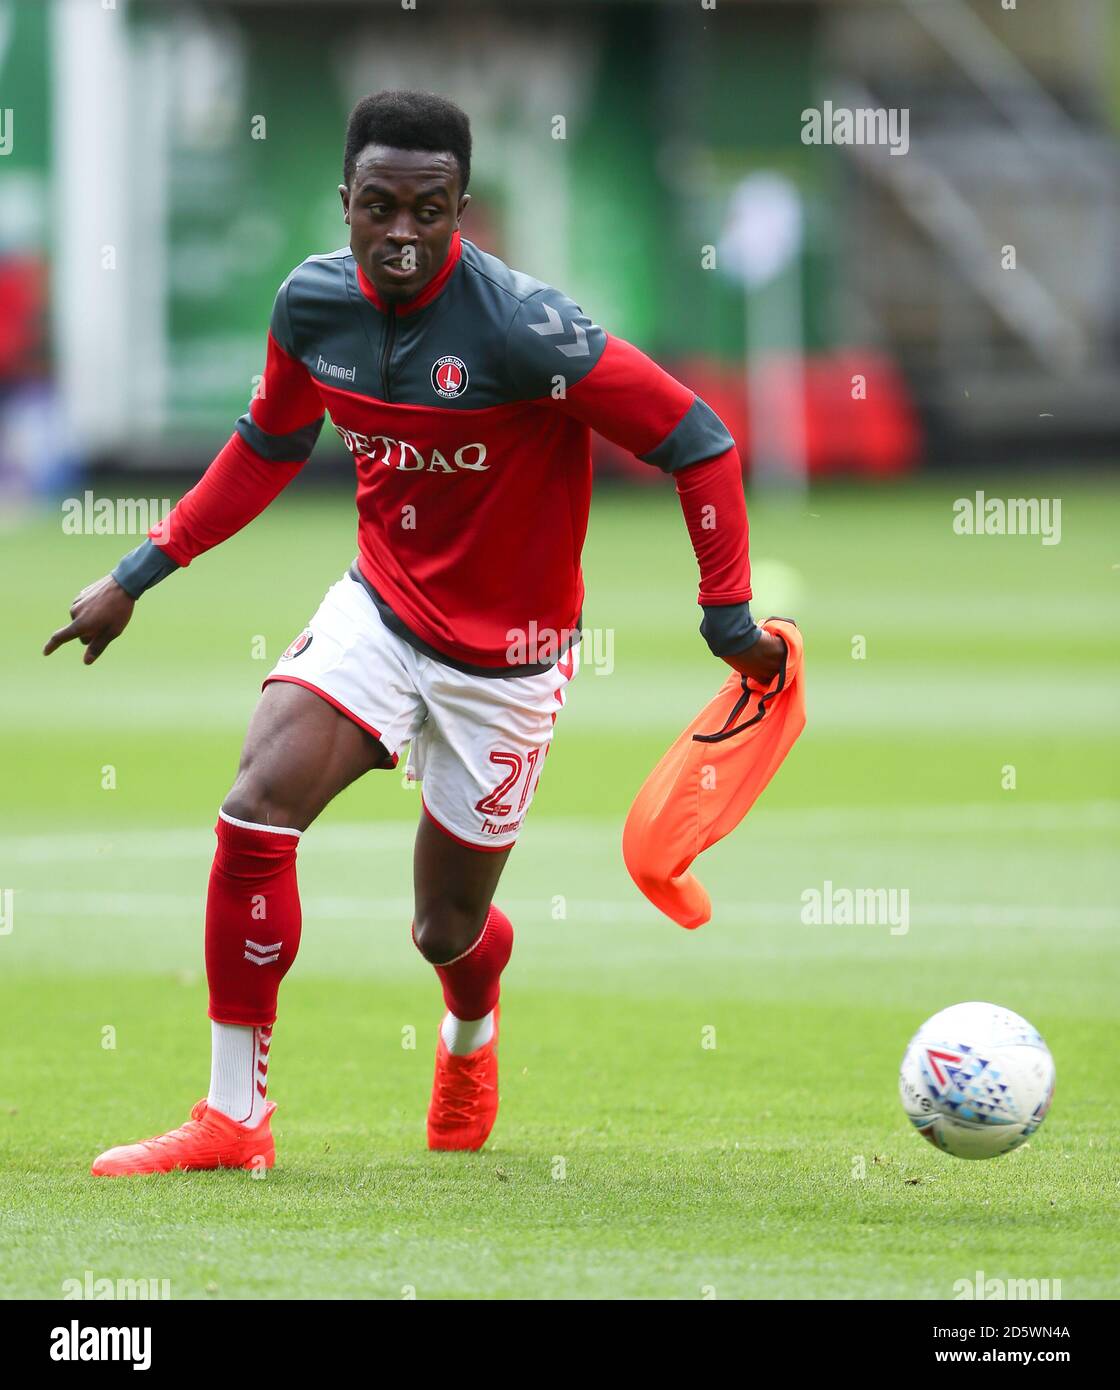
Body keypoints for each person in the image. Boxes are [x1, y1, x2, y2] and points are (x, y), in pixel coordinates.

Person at [44, 90, 784, 1175]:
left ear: (460, 209)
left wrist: (726, 614)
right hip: (380, 612)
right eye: (379, 207)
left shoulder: (529, 329)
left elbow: (701, 439)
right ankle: (233, 1117)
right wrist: (136, 574)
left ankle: (469, 1024)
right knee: (255, 806)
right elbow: (266, 446)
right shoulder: (311, 308)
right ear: (344, 202)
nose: (401, 233)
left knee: (445, 928)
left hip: (509, 659)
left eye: (427, 211)